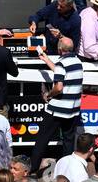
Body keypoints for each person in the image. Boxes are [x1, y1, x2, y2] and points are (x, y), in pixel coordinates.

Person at [30, 38, 84, 174]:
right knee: (68, 141)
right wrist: (47, 60)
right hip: (72, 110)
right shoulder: (77, 62)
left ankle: (33, 168)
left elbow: (58, 87)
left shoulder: (62, 64)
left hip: (57, 110)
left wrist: (48, 95)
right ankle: (66, 171)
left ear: (60, 49)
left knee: (42, 139)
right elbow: (62, 72)